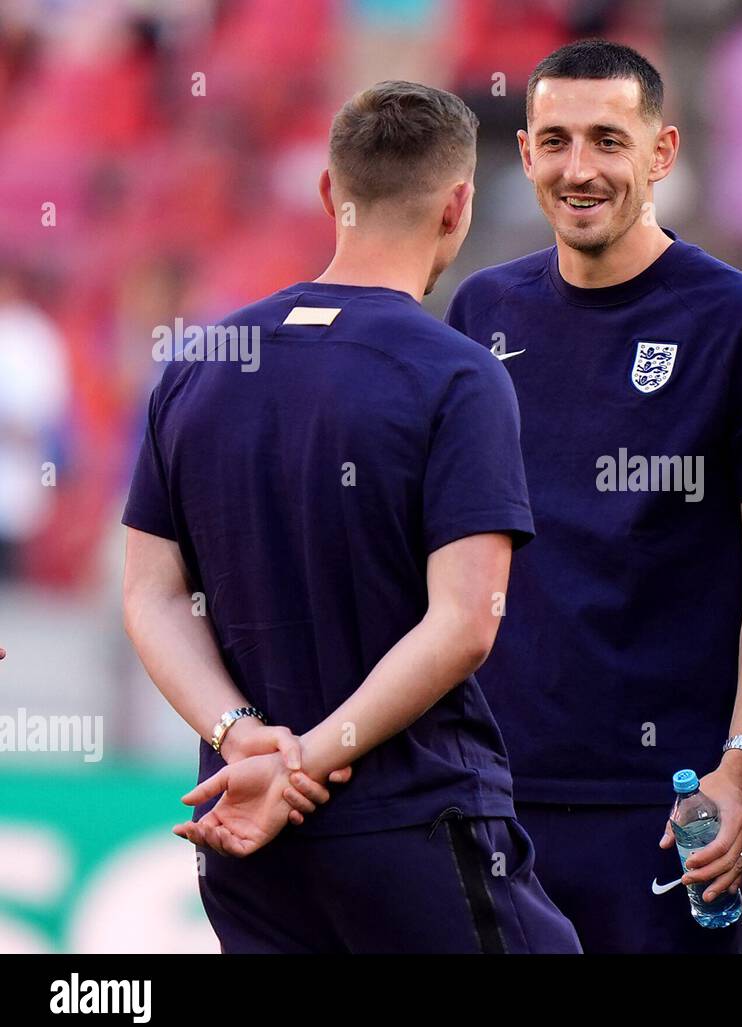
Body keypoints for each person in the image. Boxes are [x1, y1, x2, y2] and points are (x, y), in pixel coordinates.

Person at [121, 81, 579, 954]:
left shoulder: (197, 364)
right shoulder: (459, 375)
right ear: (458, 206)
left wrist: (243, 740)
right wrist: (312, 756)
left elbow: (149, 595)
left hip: (246, 823)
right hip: (413, 818)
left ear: (331, 194)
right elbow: (464, 625)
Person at [446, 40, 742, 954]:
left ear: (662, 152)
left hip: (670, 804)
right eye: (558, 141)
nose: (581, 170)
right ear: (525, 155)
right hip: (498, 796)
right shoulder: (481, 312)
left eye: (609, 141)